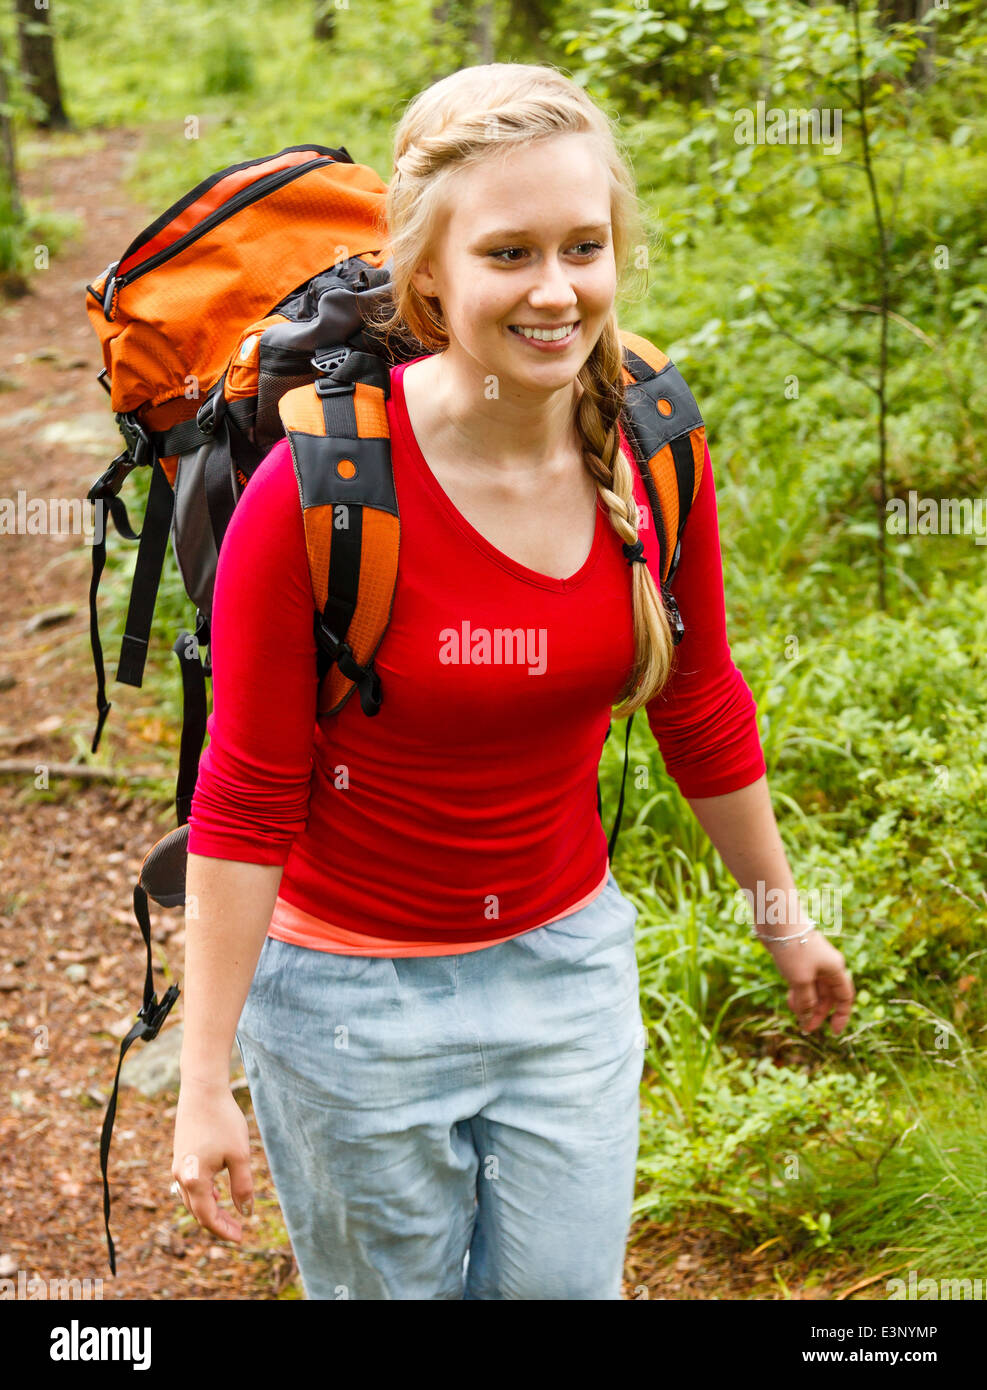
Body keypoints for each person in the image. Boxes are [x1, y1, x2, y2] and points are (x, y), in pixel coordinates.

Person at [172, 61, 855, 1301]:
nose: (557, 291)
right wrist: (203, 1069)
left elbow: (697, 698)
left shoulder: (654, 445)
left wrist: (782, 921)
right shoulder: (318, 491)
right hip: (347, 1007)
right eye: (509, 254)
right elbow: (246, 794)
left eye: (584, 245)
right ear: (427, 271)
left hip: (565, 977)